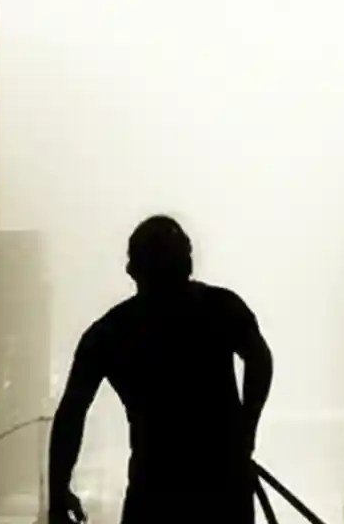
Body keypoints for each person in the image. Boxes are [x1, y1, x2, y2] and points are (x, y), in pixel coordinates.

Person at [49, 215, 274, 524]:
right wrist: (245, 430)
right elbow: (260, 359)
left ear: (133, 270)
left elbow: (71, 412)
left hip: (154, 494)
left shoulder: (110, 334)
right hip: (222, 488)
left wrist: (58, 492)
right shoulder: (221, 308)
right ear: (188, 262)